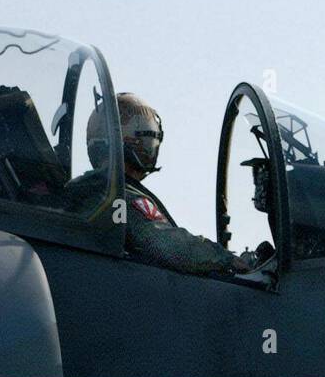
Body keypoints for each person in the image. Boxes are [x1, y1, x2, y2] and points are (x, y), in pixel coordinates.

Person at [85, 92, 250, 276]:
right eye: (148, 136)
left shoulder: (89, 190)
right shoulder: (120, 197)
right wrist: (224, 258)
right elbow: (168, 246)